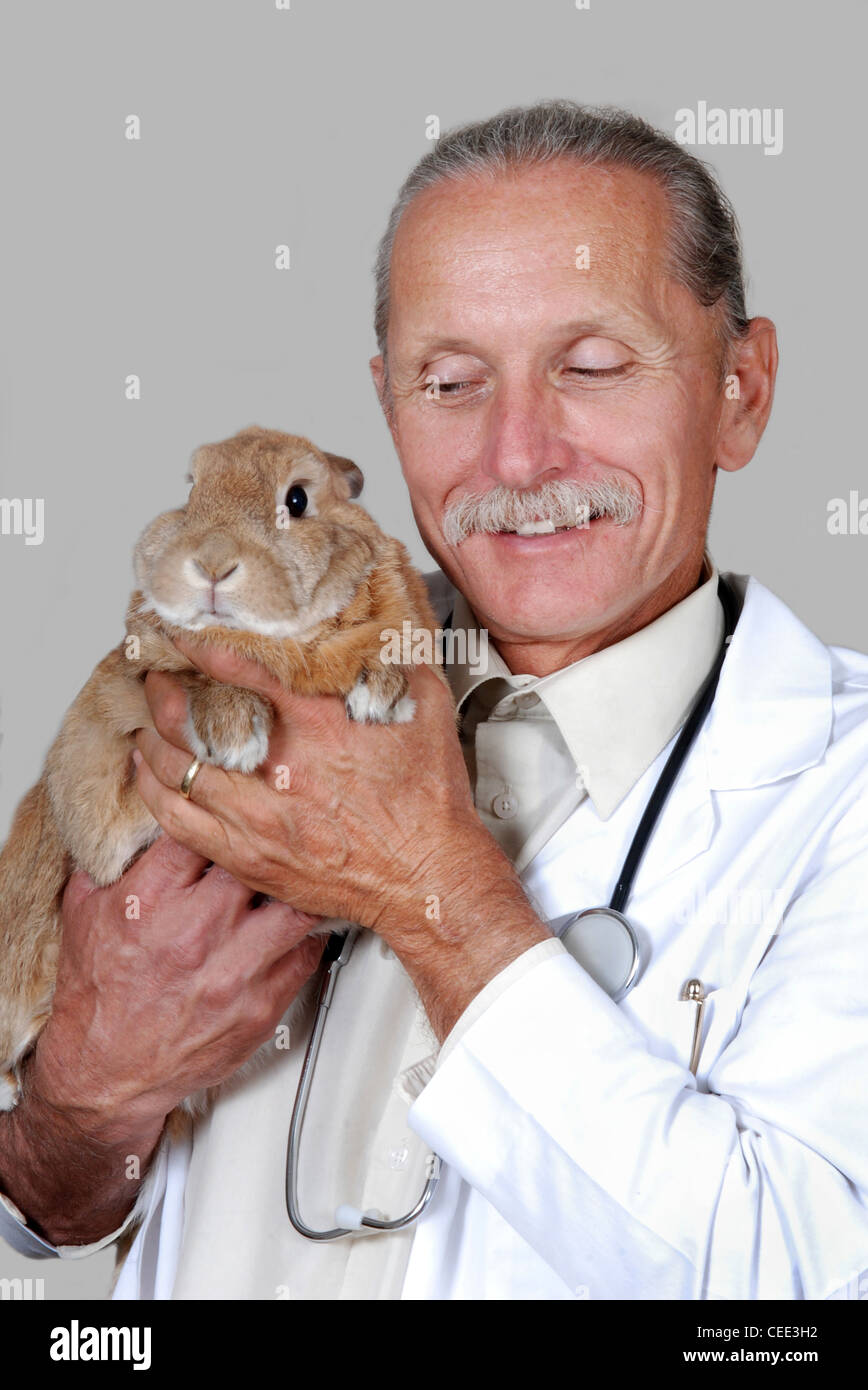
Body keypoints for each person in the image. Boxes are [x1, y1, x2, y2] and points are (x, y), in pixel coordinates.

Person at [1, 100, 866, 1301]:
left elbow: (793, 1294)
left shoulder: (839, 794)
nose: (517, 458)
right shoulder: (212, 710)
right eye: (451, 382)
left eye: (594, 366)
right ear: (385, 404)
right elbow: (49, 1228)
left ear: (741, 389)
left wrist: (430, 889)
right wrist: (77, 1111)